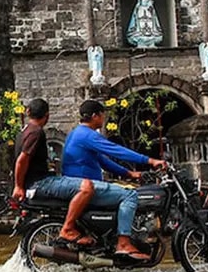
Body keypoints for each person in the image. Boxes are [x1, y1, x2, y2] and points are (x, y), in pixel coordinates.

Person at [60, 99, 166, 261]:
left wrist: (128, 174)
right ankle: (123, 242)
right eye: (102, 115)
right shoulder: (88, 135)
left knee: (122, 189)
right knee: (129, 195)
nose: (103, 119)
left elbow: (103, 161)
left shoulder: (75, 133)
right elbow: (116, 151)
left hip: (79, 186)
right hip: (86, 187)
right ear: (95, 116)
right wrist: (149, 161)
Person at [11, 98, 96, 247]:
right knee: (86, 187)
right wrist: (18, 186)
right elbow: (21, 160)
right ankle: (68, 229)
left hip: (36, 182)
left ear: (28, 112)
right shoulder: (36, 132)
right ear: (47, 115)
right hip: (41, 183)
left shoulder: (23, 131)